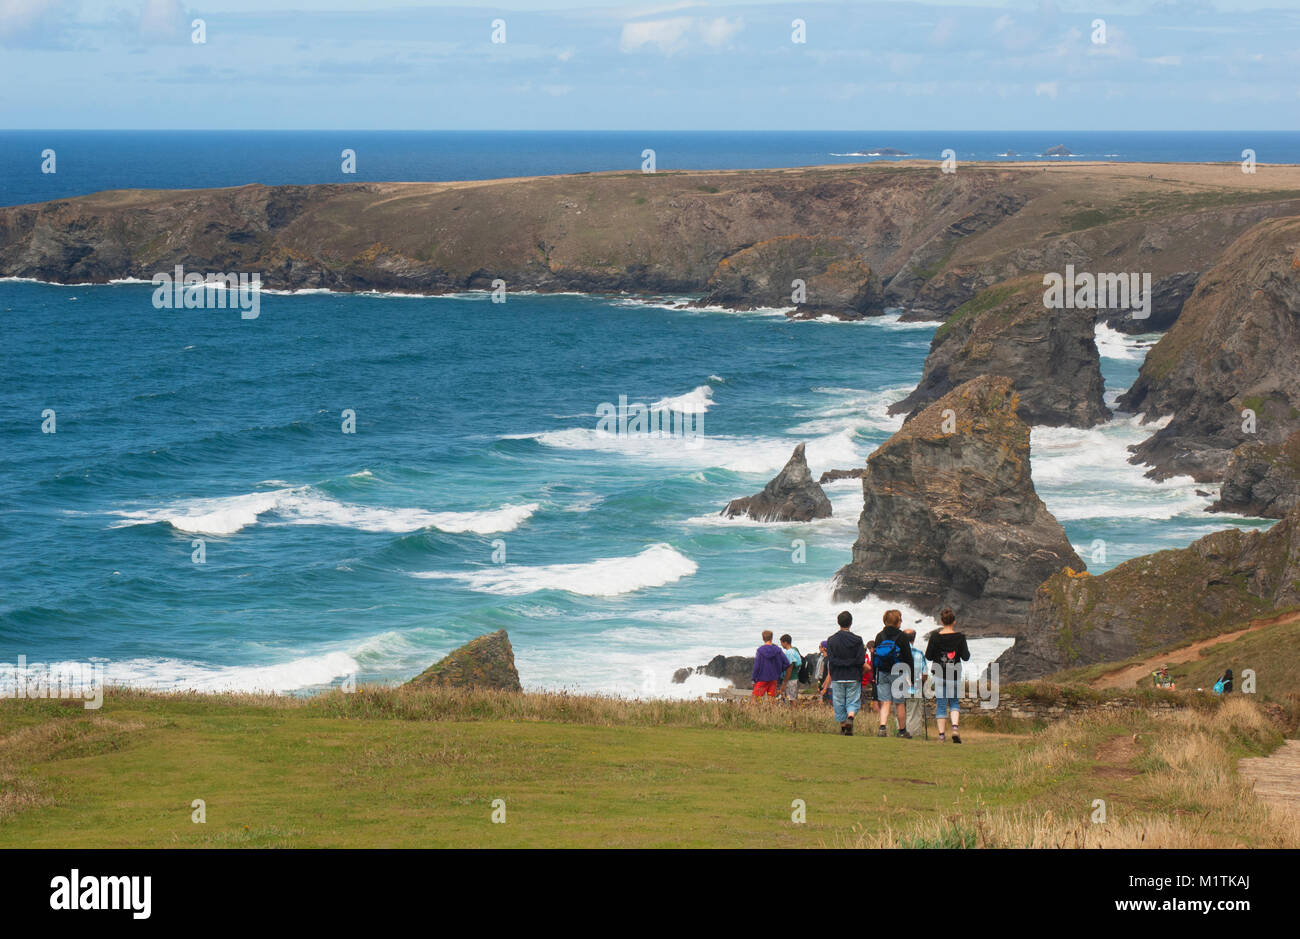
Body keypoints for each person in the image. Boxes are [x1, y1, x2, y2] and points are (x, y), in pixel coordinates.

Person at [925, 608, 970, 743]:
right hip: (954, 673)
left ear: (941, 621)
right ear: (954, 622)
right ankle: (955, 728)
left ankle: (941, 735)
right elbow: (966, 657)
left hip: (939, 673)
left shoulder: (935, 636)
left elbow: (928, 655)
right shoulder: (960, 637)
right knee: (954, 702)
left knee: (941, 704)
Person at [873, 610, 915, 738]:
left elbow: (875, 655)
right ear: (897, 621)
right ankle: (902, 731)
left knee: (885, 701)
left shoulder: (879, 636)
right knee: (899, 703)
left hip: (882, 672)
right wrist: (911, 677)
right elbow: (908, 658)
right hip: (898, 672)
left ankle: (882, 727)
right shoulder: (902, 636)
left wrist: (875, 674)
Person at [825, 611, 866, 735]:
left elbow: (831, 660)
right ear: (851, 622)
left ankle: (843, 728)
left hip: (838, 676)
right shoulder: (858, 640)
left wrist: (841, 663)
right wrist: (851, 663)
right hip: (853, 675)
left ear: (838, 622)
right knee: (853, 701)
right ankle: (851, 717)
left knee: (839, 702)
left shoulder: (831, 640)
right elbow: (860, 660)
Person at [903, 627, 927, 738]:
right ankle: (913, 735)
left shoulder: (899, 653)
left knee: (901, 712)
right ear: (914, 638)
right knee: (914, 714)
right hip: (915, 688)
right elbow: (925, 674)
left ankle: (901, 733)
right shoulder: (919, 654)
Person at [751, 630, 788, 698]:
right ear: (771, 638)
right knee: (771, 700)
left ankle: (754, 709)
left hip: (762, 678)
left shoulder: (760, 650)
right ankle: (771, 709)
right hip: (773, 678)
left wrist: (753, 679)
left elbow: (756, 666)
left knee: (754, 699)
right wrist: (778, 671)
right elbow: (786, 663)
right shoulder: (778, 650)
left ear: (763, 638)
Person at [778, 634, 803, 703]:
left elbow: (789, 668)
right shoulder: (795, 650)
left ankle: (794, 712)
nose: (781, 645)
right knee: (793, 698)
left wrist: (784, 682)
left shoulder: (789, 653)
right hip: (795, 678)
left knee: (792, 700)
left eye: (781, 643)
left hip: (791, 679)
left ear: (785, 642)